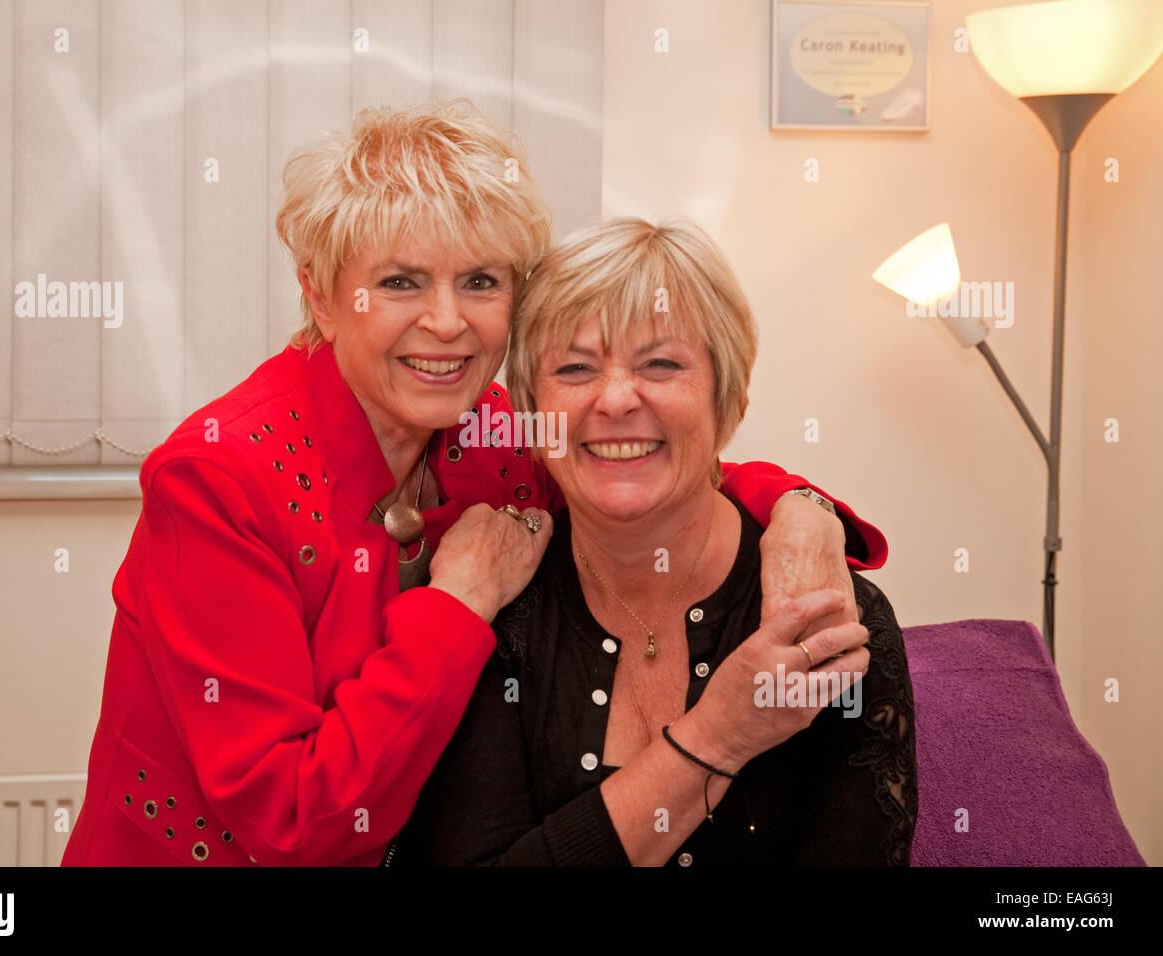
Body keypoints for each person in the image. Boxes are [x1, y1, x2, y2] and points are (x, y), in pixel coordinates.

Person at [61, 103, 888, 868]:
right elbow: (294, 824)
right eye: (400, 282)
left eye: (481, 282)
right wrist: (455, 608)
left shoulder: (490, 432)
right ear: (319, 290)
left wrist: (798, 511)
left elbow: (643, 457)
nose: (448, 321)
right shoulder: (220, 480)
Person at [400, 217, 916, 866]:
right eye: (576, 367)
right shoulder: (497, 614)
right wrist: (719, 735)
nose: (616, 399)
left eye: (662, 363)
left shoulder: (829, 613)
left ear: (726, 398)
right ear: (531, 411)